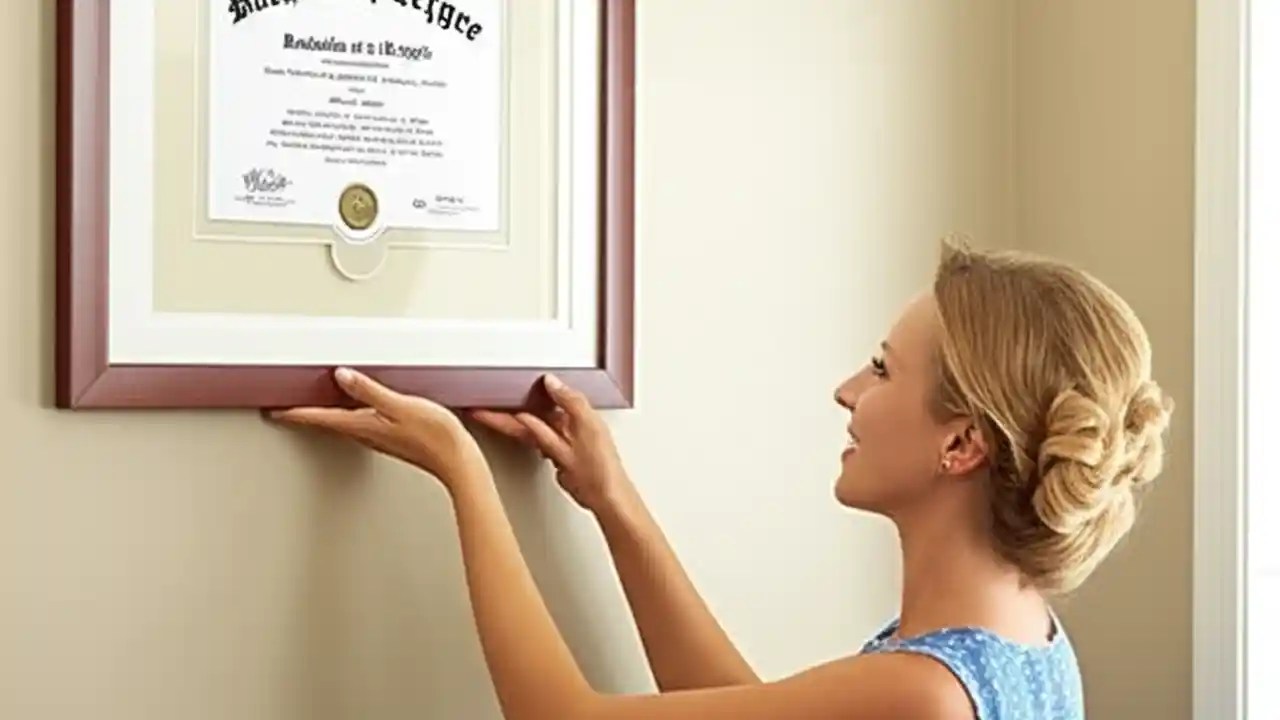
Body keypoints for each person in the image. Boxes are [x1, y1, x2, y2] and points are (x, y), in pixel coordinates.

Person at [269, 237, 1174, 720]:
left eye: (883, 369)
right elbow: (748, 713)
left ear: (962, 444)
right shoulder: (1026, 641)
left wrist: (462, 471)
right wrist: (614, 505)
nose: (848, 391)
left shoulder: (924, 692)